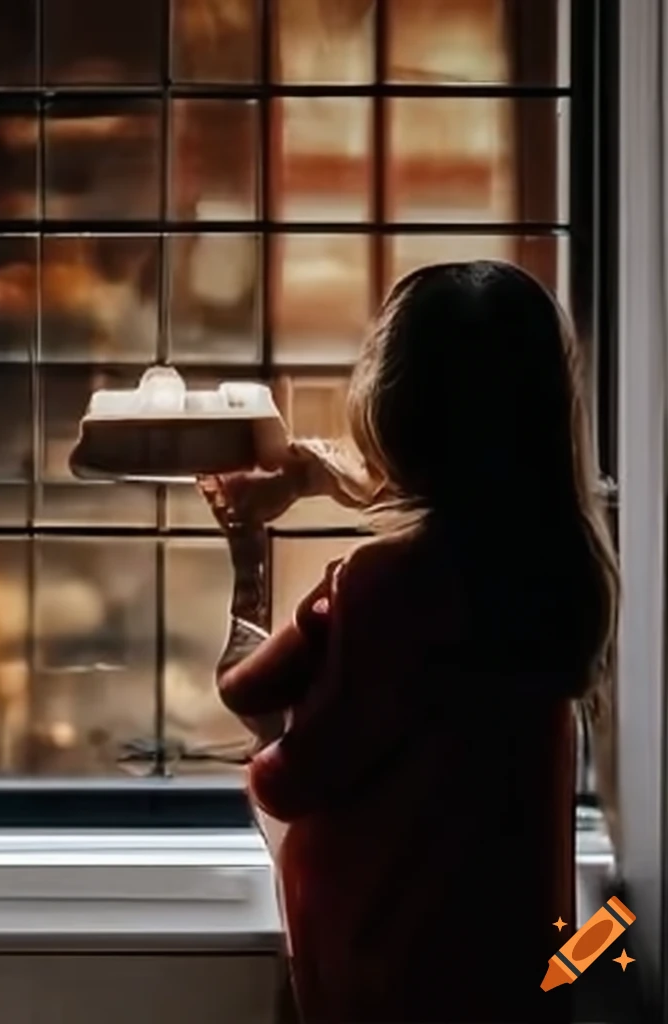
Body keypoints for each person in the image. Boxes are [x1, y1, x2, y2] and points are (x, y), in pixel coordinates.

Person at [198, 260, 619, 1024]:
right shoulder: (563, 566)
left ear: (390, 405)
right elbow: (468, 499)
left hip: (394, 979)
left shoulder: (382, 584)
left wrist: (251, 550)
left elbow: (283, 773)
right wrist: (318, 473)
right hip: (522, 978)